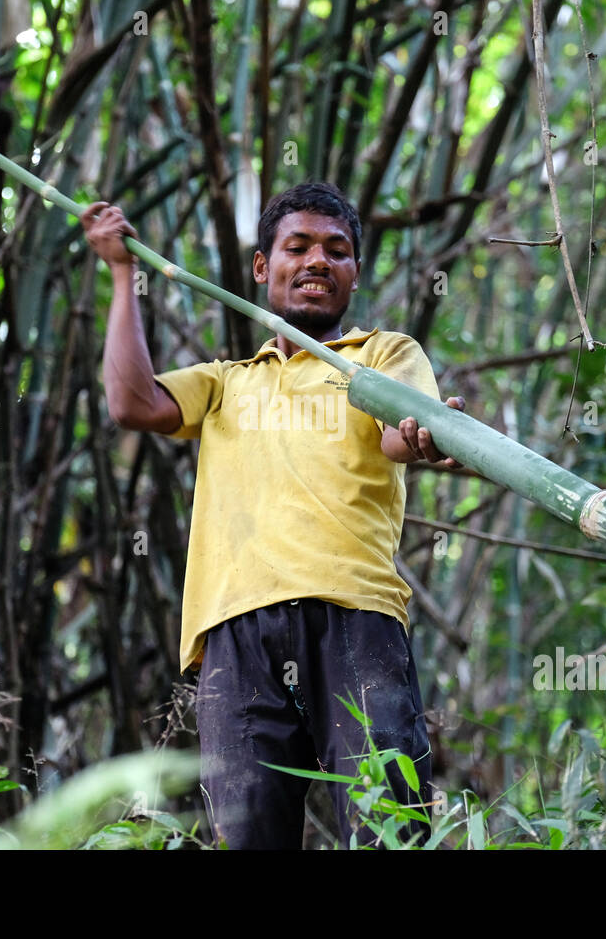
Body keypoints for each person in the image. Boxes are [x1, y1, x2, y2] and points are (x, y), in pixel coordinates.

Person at [81, 181, 465, 849]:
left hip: (356, 618)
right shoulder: (227, 383)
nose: (317, 261)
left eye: (336, 251)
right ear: (262, 267)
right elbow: (132, 404)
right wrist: (122, 272)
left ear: (354, 273)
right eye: (298, 246)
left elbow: (400, 432)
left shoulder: (381, 356)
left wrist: (432, 437)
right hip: (236, 633)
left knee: (389, 827)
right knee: (248, 834)